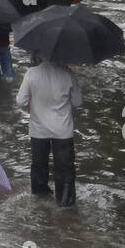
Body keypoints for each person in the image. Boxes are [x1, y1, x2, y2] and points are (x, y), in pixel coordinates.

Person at [16, 55, 82, 207]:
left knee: (39, 167)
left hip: (39, 129)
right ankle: (65, 204)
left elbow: (21, 101)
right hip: (63, 130)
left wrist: (30, 107)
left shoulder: (32, 73)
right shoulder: (68, 74)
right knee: (65, 169)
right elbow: (77, 102)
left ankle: (40, 202)